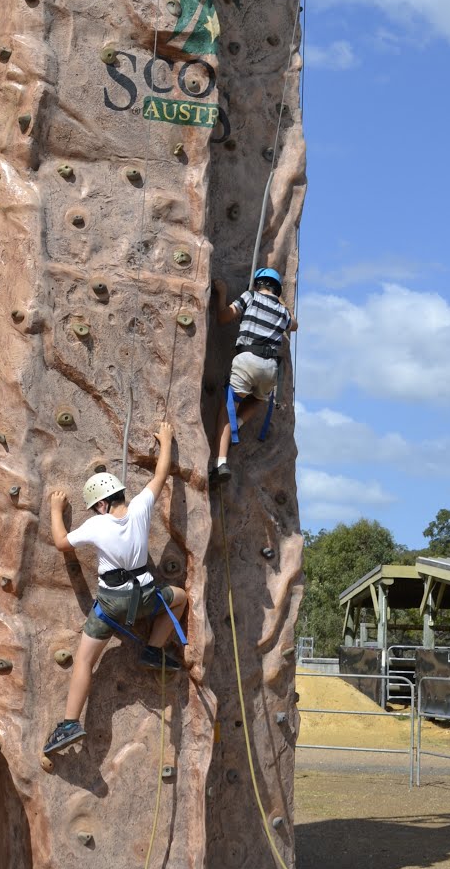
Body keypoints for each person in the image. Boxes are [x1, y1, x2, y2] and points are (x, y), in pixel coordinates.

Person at [43, 420, 189, 758]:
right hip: (146, 598)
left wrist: (55, 510)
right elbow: (161, 474)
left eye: (95, 506)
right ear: (119, 495)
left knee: (84, 660)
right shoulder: (139, 507)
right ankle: (153, 649)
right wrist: (166, 440)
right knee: (179, 598)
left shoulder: (96, 524)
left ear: (100, 504)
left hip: (111, 605)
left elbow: (63, 543)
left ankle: (69, 723)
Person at [210, 267, 297, 484]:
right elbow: (294, 325)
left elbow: (223, 318)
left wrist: (221, 294)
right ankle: (238, 424)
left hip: (247, 359)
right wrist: (283, 302)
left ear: (258, 284)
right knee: (259, 399)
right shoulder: (282, 311)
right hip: (270, 368)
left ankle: (220, 462)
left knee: (227, 408)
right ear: (276, 290)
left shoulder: (250, 296)